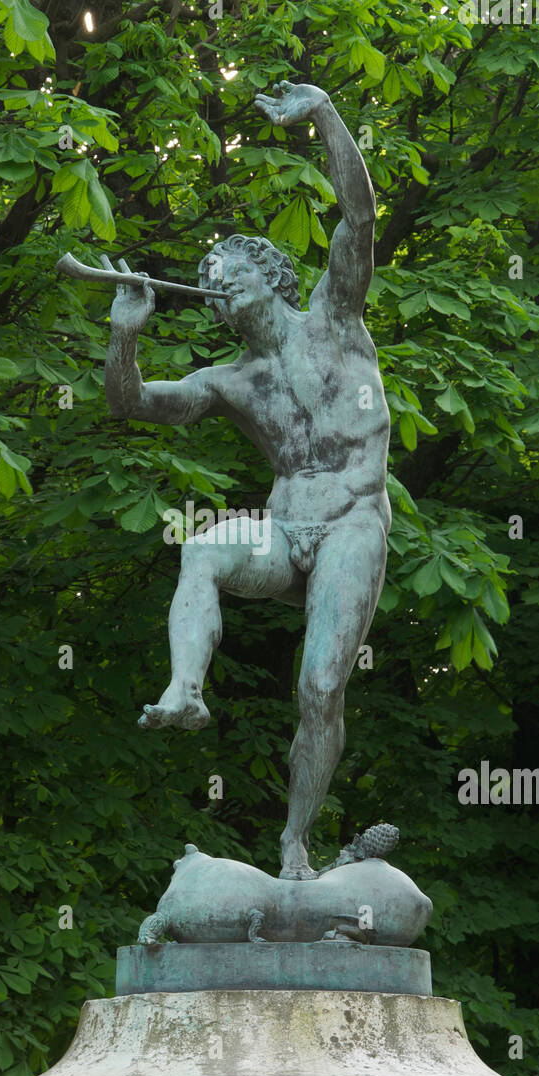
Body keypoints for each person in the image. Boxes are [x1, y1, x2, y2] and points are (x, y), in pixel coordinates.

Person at [104, 81, 390, 880]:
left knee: (319, 686)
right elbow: (135, 406)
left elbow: (359, 218)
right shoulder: (228, 380)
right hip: (282, 525)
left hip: (352, 520)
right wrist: (124, 340)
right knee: (201, 550)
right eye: (209, 275)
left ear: (269, 277)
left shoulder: (334, 316)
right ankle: (185, 690)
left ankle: (294, 842)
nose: (216, 281)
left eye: (229, 270)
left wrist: (326, 111)